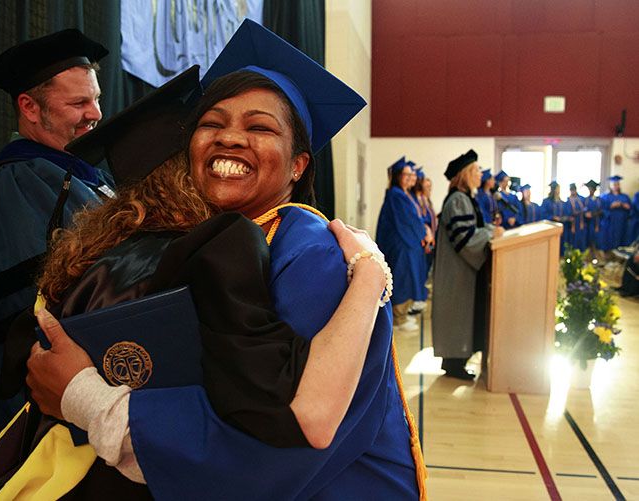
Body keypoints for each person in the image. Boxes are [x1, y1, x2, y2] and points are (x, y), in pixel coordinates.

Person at [37, 20, 425, 499]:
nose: (230, 138)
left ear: (298, 163)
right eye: (211, 123)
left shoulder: (313, 254)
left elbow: (279, 444)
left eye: (259, 127)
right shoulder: (217, 240)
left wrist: (88, 400)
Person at [0, 29, 116, 427]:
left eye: (96, 99)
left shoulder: (90, 175)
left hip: (104, 388)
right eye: (79, 102)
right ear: (30, 108)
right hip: (53, 403)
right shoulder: (14, 181)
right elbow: (25, 307)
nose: (96, 114)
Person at [432, 149, 504, 380]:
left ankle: (456, 361)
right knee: (457, 315)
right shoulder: (458, 200)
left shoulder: (465, 198)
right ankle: (454, 363)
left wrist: (491, 231)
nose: (480, 174)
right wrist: (492, 233)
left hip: (462, 270)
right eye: (476, 170)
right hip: (457, 271)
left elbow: (473, 232)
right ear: (465, 174)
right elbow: (466, 239)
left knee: (460, 315)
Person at [376, 157, 429, 332]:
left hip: (407, 242)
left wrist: (422, 232)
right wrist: (422, 233)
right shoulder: (396, 195)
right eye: (406, 174)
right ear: (398, 176)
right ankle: (399, 319)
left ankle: (402, 315)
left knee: (408, 277)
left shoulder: (405, 194)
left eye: (411, 174)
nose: (409, 178)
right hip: (400, 244)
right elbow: (407, 221)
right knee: (402, 278)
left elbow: (414, 220)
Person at [410, 166, 435, 313]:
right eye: (426, 186)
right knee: (418, 271)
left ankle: (420, 296)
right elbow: (421, 220)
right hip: (422, 240)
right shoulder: (415, 200)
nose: (428, 189)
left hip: (428, 239)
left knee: (423, 270)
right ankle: (416, 300)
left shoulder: (425, 200)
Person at [600, 175, 631, 250]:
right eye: (614, 184)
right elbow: (602, 210)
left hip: (621, 222)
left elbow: (630, 209)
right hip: (610, 222)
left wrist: (623, 205)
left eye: (617, 184)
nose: (616, 186)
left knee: (621, 239)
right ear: (611, 186)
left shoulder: (625, 196)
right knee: (609, 239)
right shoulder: (605, 196)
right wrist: (611, 206)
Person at [541, 181, 566, 255]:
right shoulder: (546, 201)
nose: (558, 191)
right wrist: (552, 217)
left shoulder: (562, 202)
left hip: (561, 227)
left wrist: (564, 218)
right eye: (557, 189)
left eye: (559, 189)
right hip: (550, 227)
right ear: (553, 190)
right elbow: (543, 214)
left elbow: (566, 213)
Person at [583, 179, 605, 252]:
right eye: (589, 189)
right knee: (588, 239)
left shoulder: (599, 200)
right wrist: (585, 214)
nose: (590, 191)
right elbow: (583, 210)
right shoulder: (585, 200)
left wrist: (593, 214)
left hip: (597, 223)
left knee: (597, 239)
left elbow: (602, 211)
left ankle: (596, 255)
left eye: (592, 189)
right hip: (588, 223)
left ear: (595, 190)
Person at [565, 182, 587, 251]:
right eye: (571, 190)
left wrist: (582, 212)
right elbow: (568, 212)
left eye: (574, 189)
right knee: (573, 241)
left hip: (581, 223)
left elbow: (586, 208)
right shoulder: (568, 201)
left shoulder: (581, 199)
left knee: (581, 240)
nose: (573, 191)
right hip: (573, 224)